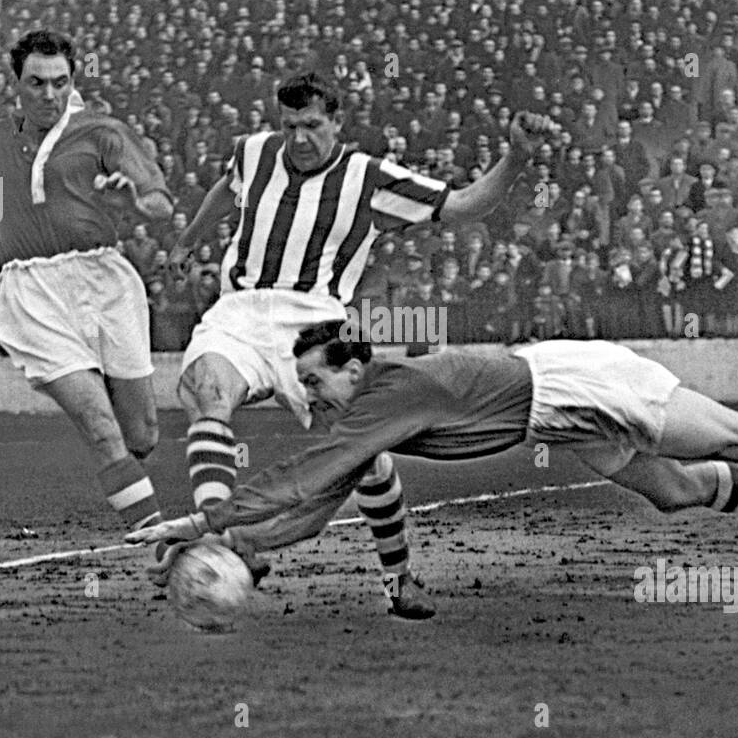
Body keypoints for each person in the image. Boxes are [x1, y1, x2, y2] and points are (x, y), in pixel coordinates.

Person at [132, 321, 738, 605]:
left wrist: (210, 517)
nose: (307, 395)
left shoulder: (385, 392)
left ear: (352, 368)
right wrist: (249, 545)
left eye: (314, 380)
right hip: (552, 410)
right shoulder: (372, 416)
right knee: (672, 492)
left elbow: (305, 475)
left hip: (577, 382)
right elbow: (316, 504)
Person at [168, 70, 557, 618]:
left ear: (337, 122)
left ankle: (398, 582)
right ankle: (221, 545)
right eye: (289, 126)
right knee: (208, 392)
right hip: (240, 311)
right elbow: (227, 188)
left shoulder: (367, 178)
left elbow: (465, 205)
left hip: (317, 324)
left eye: (311, 125)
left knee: (364, 460)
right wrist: (189, 241)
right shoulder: (254, 152)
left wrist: (515, 159)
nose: (298, 138)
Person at [0, 26, 173, 532]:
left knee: (142, 434)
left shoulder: (103, 132)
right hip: (33, 292)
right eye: (37, 83)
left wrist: (133, 201)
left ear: (73, 81)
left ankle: (129, 479)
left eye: (59, 82)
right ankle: (162, 544)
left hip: (105, 281)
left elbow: (160, 201)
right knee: (99, 425)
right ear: (18, 85)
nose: (50, 94)